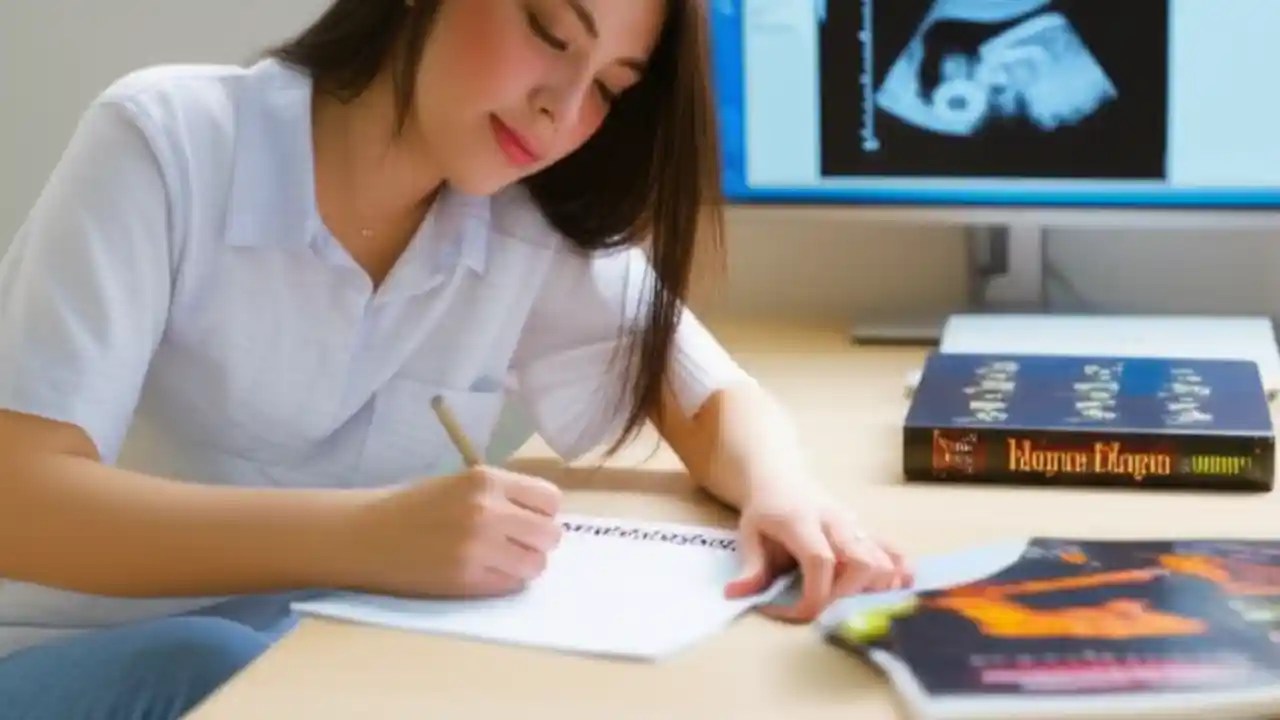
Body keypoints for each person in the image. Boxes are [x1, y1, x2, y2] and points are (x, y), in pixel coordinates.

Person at [0, 0, 911, 716]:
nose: (564, 106)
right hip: (62, 662)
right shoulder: (166, 142)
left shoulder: (512, 209)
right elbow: (22, 502)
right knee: (208, 662)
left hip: (320, 663)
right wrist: (369, 538)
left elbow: (707, 397)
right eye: (551, 31)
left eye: (611, 87)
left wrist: (785, 495)